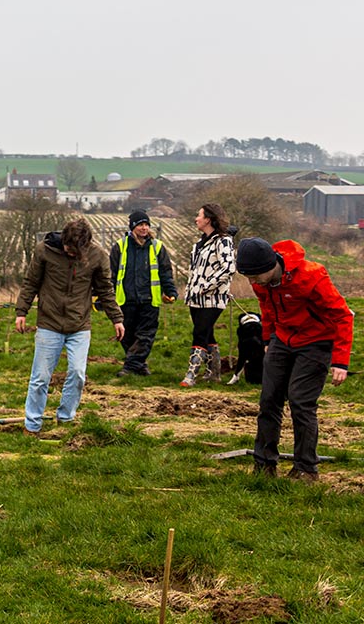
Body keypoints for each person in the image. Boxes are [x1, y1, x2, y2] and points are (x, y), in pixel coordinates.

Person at [237, 237, 353, 482]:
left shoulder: (312, 277)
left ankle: (306, 468)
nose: (252, 282)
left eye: (255, 276)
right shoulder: (261, 282)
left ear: (271, 265)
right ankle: (264, 464)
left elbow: (343, 316)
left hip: (316, 342)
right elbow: (267, 308)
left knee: (300, 402)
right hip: (282, 339)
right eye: (248, 277)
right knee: (268, 400)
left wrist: (340, 361)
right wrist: (268, 340)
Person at [15, 218, 125, 434]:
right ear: (63, 240)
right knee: (40, 378)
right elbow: (31, 282)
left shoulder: (97, 256)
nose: (71, 253)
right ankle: (32, 424)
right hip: (49, 322)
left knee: (77, 373)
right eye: (68, 248)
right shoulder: (45, 251)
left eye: (76, 250)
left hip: (79, 324)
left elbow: (105, 290)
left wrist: (117, 318)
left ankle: (65, 419)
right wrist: (22, 312)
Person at [109, 210, 177, 377]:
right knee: (127, 336)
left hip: (149, 299)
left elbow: (165, 272)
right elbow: (111, 274)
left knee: (145, 335)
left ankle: (130, 367)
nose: (144, 228)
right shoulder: (119, 246)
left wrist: (170, 291)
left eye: (146, 224)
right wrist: (106, 298)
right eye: (140, 224)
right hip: (125, 299)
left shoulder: (158, 247)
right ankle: (139, 365)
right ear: (132, 227)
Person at [181, 203, 236, 387]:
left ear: (208, 219)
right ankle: (214, 373)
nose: (196, 218)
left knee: (199, 333)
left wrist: (206, 286)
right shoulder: (199, 243)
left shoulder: (223, 241)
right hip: (195, 298)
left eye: (199, 215)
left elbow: (228, 268)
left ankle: (191, 374)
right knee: (207, 333)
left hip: (213, 298)